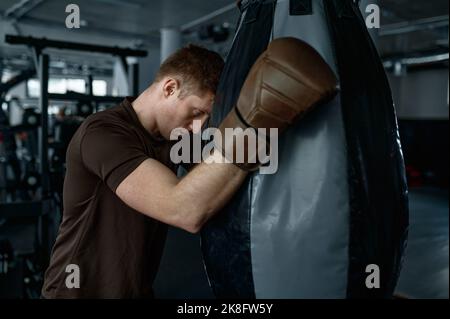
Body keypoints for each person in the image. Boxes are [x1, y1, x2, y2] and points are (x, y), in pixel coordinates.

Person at [42, 38, 337, 298]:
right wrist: (252, 124)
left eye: (205, 118)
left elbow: (227, 172)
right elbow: (183, 209)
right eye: (196, 112)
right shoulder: (103, 133)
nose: (198, 128)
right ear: (170, 88)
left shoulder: (177, 135)